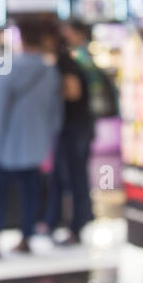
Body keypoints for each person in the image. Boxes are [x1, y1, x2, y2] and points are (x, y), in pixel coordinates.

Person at [0, 16, 62, 258]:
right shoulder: (50, 71)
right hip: (35, 146)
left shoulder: (8, 67)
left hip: (6, 145)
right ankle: (26, 237)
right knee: (31, 195)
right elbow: (55, 114)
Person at [47, 29, 95, 244]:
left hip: (75, 127)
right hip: (71, 126)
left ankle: (78, 224)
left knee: (76, 175)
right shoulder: (64, 61)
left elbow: (73, 93)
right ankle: (56, 220)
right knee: (63, 174)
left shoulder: (66, 63)